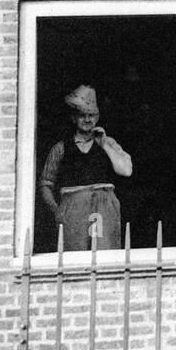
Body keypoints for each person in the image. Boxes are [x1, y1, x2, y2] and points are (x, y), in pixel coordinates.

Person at [39, 85, 133, 251]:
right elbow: (46, 184)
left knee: (105, 258)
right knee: (75, 259)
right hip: (73, 209)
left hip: (104, 208)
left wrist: (104, 145)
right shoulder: (61, 148)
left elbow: (126, 170)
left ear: (97, 118)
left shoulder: (108, 143)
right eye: (82, 116)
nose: (87, 120)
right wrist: (58, 211)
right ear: (74, 118)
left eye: (91, 115)